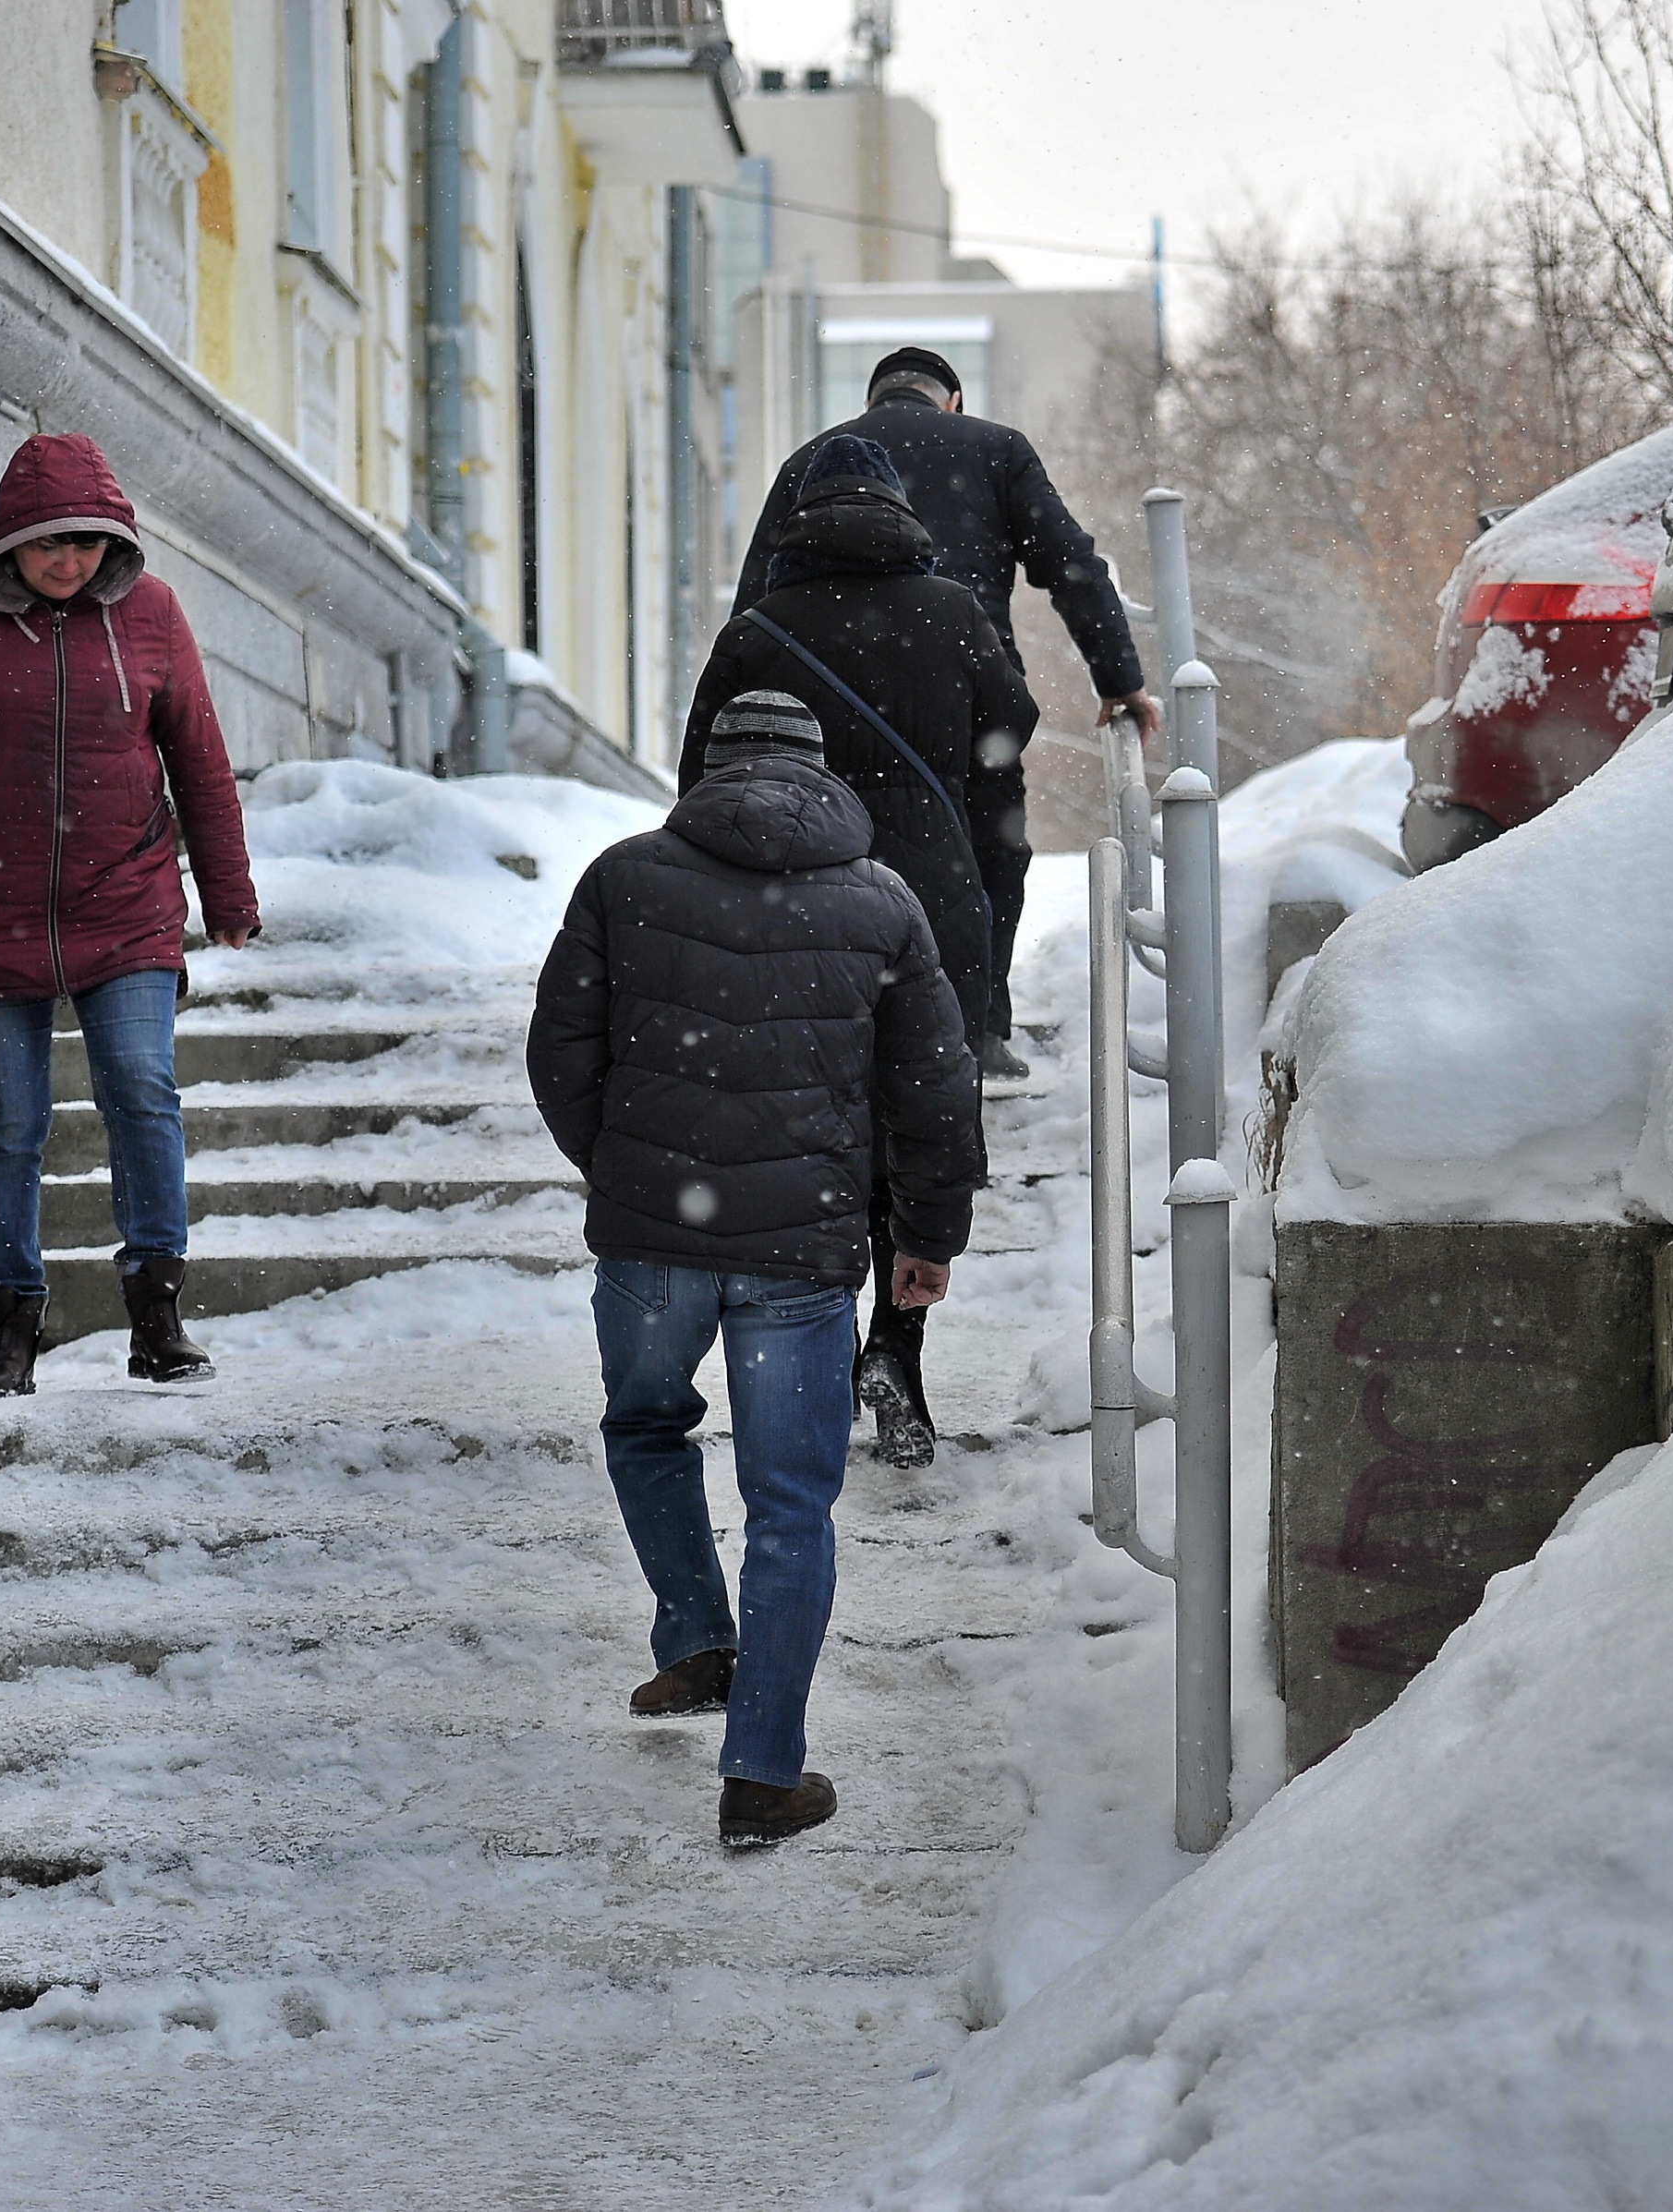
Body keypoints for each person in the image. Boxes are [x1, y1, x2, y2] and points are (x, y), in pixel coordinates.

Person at [527, 690, 982, 1845]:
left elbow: (560, 1052)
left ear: (708, 771)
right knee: (791, 1503)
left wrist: (629, 1172)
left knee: (644, 1428)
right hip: (802, 1250)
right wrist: (926, 1238)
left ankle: (694, 1639)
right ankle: (763, 1769)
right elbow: (933, 1087)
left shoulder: (624, 878)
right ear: (822, 776)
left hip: (649, 1246)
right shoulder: (882, 902)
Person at [0, 430, 260, 1399]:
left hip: (127, 898)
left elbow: (199, 758)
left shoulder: (152, 612)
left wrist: (229, 891)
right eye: (48, 547)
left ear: (111, 540)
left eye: (84, 544)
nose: (68, 562)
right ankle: (10, 1327)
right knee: (8, 1121)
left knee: (140, 1084)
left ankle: (157, 1314)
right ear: (7, 545)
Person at [684, 435, 1030, 1469]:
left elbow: (702, 785)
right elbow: (1009, 733)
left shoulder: (757, 631)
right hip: (932, 906)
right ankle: (901, 1345)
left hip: (791, 913)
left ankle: (827, 1338)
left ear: (801, 518)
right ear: (899, 513)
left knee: (816, 1127)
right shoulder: (958, 614)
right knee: (920, 1115)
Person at [735, 344, 1161, 1077]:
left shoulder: (810, 461)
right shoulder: (996, 450)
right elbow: (1073, 567)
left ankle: (844, 1023)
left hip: (830, 704)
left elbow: (753, 604)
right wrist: (1119, 679)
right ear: (952, 399)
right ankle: (978, 1027)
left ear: (873, 402)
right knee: (986, 857)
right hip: (969, 698)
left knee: (841, 855)